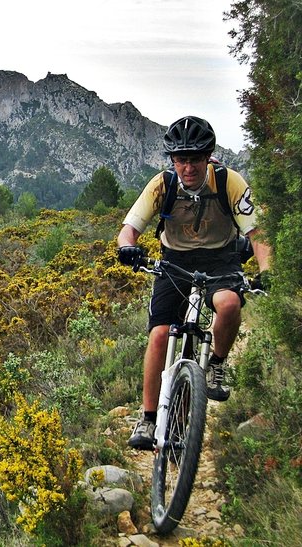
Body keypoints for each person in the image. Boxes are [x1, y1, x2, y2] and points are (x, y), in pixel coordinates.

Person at [116, 115, 272, 450]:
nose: (189, 167)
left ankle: (216, 362)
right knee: (160, 334)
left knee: (228, 304)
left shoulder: (229, 182)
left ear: (208, 157)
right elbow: (130, 228)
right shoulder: (163, 184)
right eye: (182, 159)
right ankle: (147, 418)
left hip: (221, 257)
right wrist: (127, 247)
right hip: (175, 261)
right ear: (173, 160)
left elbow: (259, 235)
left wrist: (266, 270)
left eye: (196, 159)